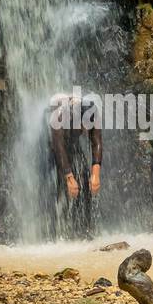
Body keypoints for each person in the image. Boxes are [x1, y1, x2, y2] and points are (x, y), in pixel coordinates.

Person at [46, 90, 102, 237]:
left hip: (72, 145)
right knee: (63, 185)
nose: (85, 129)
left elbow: (96, 142)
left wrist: (96, 174)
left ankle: (86, 229)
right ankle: (60, 233)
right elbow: (59, 148)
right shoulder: (59, 116)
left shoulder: (92, 111)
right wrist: (69, 178)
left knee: (85, 180)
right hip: (51, 148)